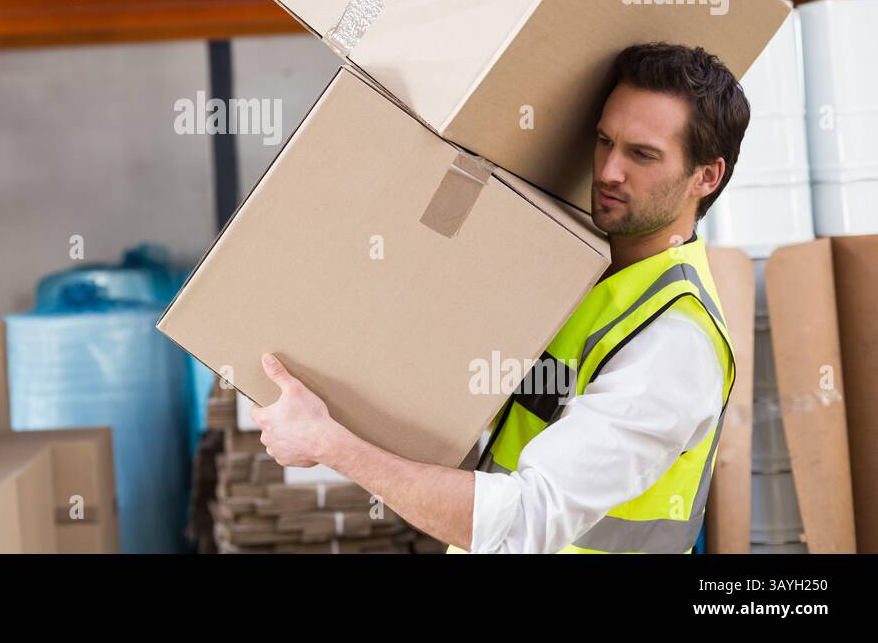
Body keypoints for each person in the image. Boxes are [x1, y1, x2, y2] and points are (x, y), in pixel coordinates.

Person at [251, 42, 746, 553]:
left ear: (706, 176)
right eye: (604, 141)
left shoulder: (674, 342)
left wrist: (328, 443)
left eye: (642, 155)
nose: (608, 172)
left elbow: (520, 525)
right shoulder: (583, 273)